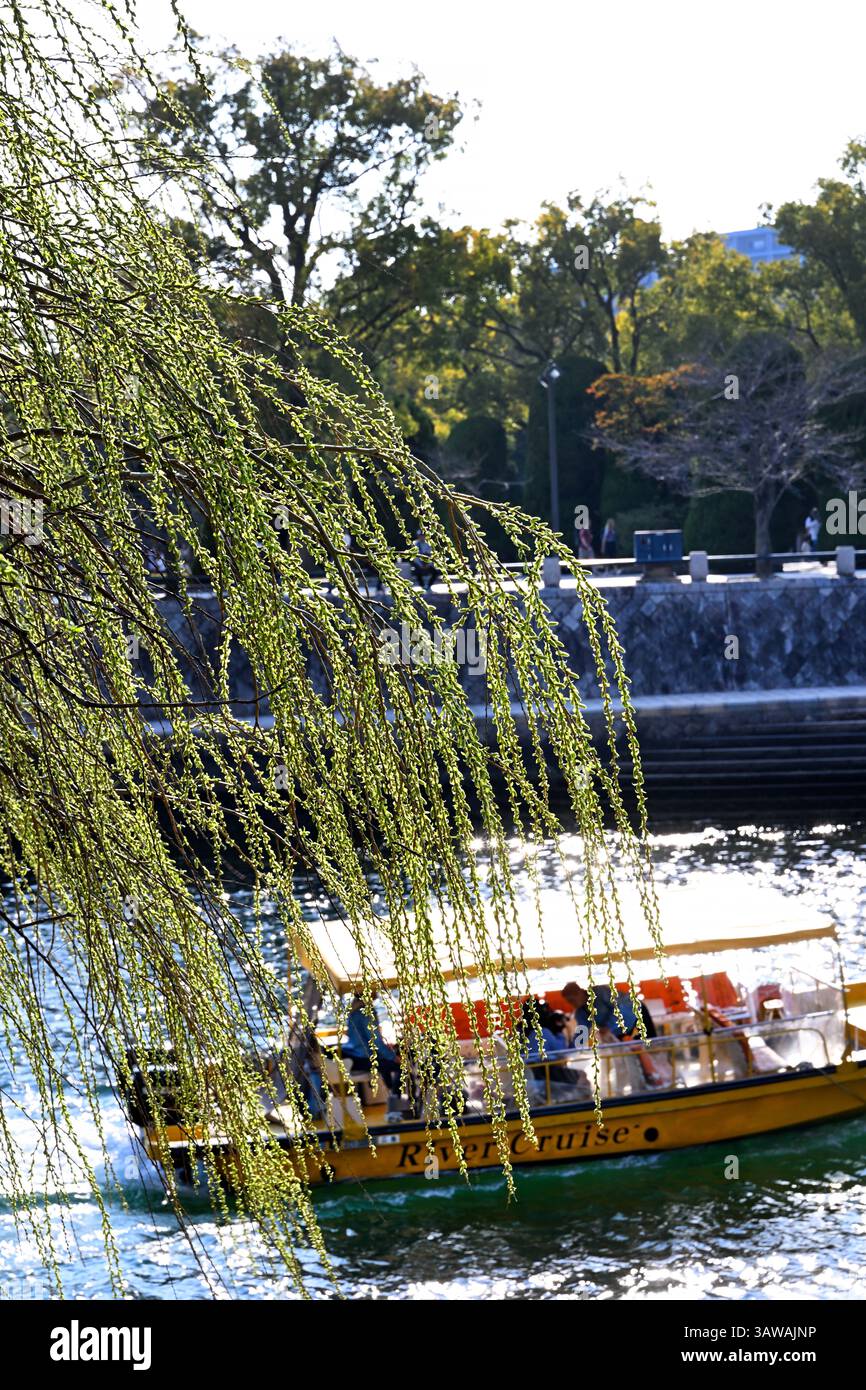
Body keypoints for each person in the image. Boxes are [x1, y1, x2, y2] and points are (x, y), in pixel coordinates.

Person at [343, 991, 401, 1093]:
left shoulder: (353, 1010)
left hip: (351, 1055)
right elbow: (375, 1042)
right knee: (401, 1066)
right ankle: (396, 1096)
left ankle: (391, 1091)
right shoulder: (367, 1012)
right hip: (362, 1057)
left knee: (384, 1061)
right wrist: (393, 1057)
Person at [521, 999, 574, 1085]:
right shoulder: (543, 1032)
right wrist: (565, 1032)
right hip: (546, 1072)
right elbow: (563, 1053)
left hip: (533, 1074)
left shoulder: (523, 1033)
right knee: (582, 1077)